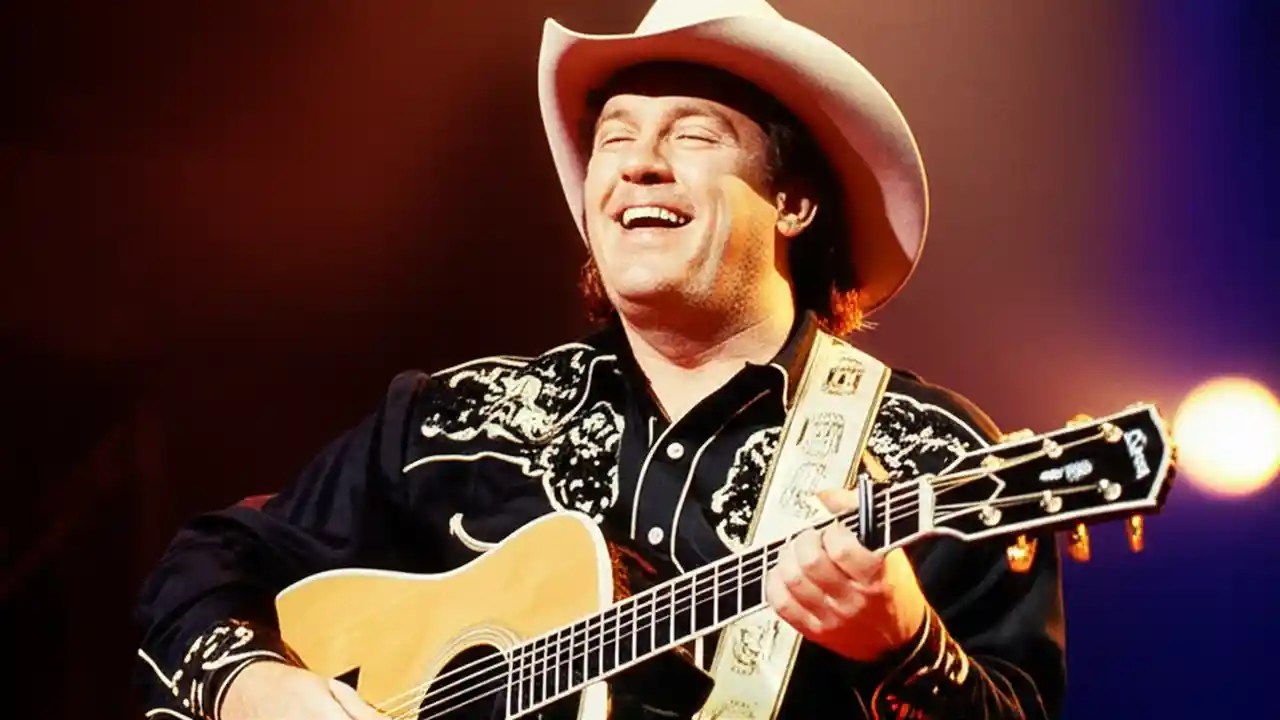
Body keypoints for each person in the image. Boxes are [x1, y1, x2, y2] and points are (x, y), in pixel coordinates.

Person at [133, 1, 1065, 718]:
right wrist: (256, 686)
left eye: (692, 136)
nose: (636, 164)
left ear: (794, 205)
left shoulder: (930, 456)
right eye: (614, 139)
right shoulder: (455, 420)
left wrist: (903, 644)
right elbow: (208, 561)